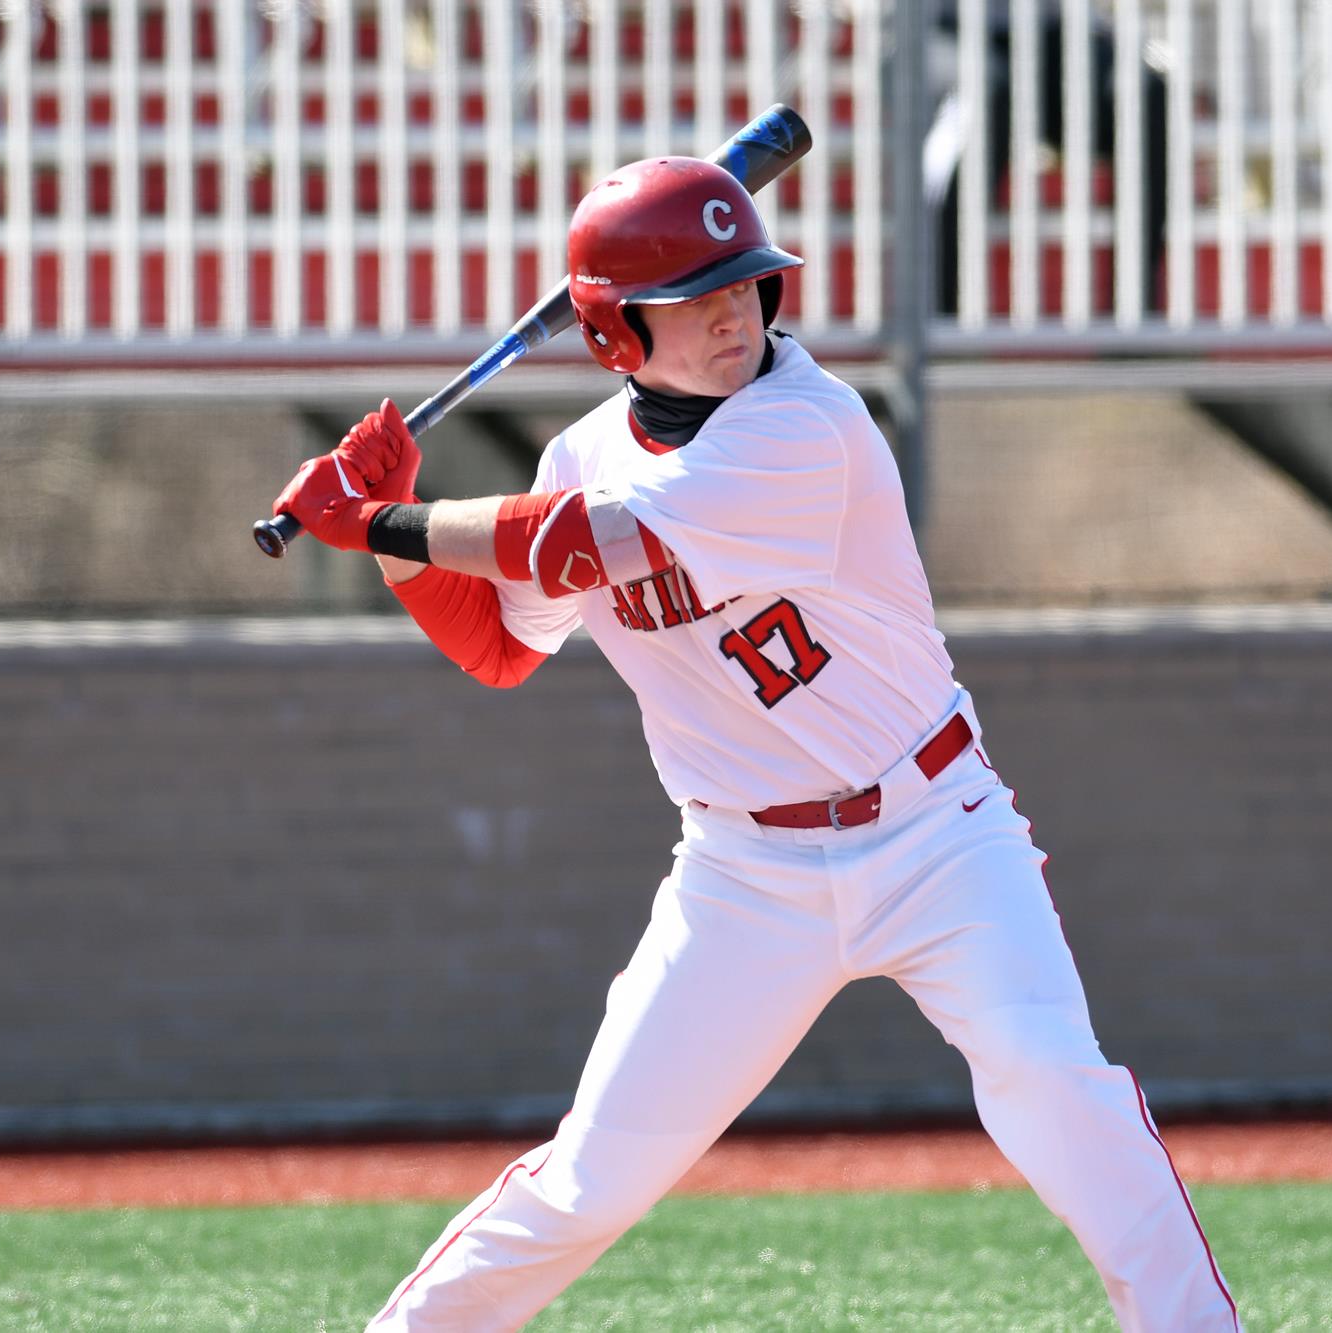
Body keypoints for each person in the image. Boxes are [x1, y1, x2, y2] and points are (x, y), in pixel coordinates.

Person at [274, 156, 1240, 1332]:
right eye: (694, 294)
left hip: (934, 831)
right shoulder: (580, 451)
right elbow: (499, 647)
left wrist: (384, 519)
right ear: (614, 330)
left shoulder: (807, 423)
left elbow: (588, 546)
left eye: (746, 282)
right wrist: (394, 545)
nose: (735, 310)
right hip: (740, 874)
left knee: (1055, 1092)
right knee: (589, 1177)